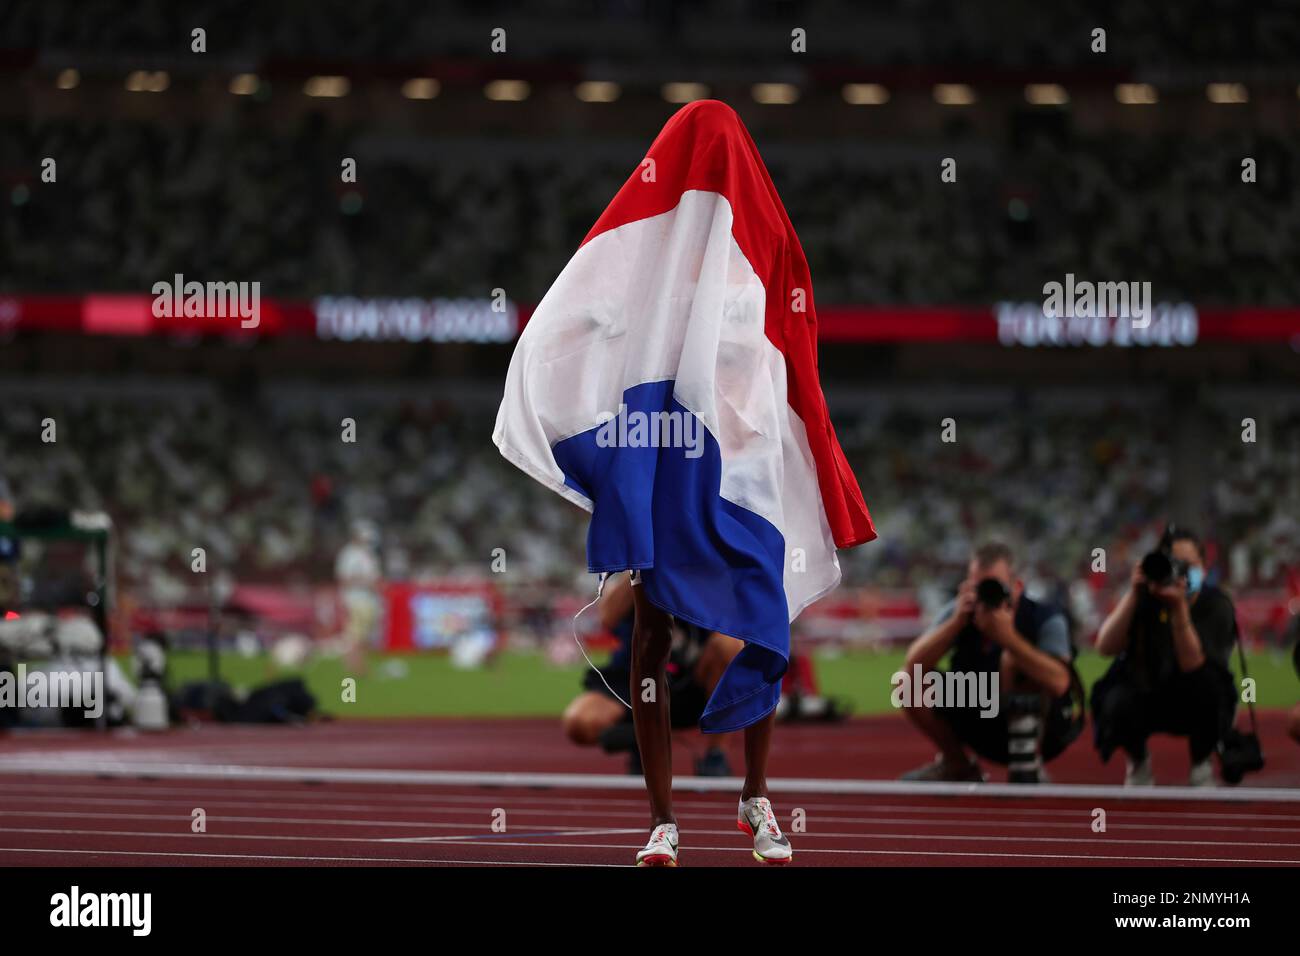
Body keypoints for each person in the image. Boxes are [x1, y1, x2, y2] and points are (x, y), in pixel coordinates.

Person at [900, 541, 1080, 783]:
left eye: (994, 586)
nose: (986, 594)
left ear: (1016, 586)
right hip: (978, 715)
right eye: (979, 586)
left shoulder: (1045, 617)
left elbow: (1060, 682)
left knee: (1013, 660)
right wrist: (956, 623)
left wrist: (1007, 638)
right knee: (906, 683)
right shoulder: (959, 612)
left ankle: (1028, 763)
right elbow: (913, 665)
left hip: (1043, 729)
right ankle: (957, 765)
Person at [1091, 527, 1239, 786]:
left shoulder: (1217, 605)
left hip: (1195, 698)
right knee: (1113, 696)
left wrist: (1179, 608)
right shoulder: (1146, 599)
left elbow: (1194, 665)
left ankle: (1201, 763)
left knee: (1215, 691)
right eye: (1174, 563)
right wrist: (1134, 594)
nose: (1181, 571)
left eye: (1188, 564)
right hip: (1148, 691)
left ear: (1203, 567)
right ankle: (1138, 762)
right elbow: (1105, 646)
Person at [561, 572, 740, 776]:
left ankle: (715, 754)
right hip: (633, 678)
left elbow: (734, 631)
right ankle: (640, 737)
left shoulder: (708, 566)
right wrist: (642, 566)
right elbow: (608, 617)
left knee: (730, 646)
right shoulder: (638, 565)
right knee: (580, 723)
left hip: (690, 683)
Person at [334, 520, 382, 674]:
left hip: (368, 599)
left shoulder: (367, 553)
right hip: (356, 599)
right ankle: (352, 666)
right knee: (355, 634)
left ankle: (361, 665)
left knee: (365, 635)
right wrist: (366, 582)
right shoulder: (349, 555)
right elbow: (344, 579)